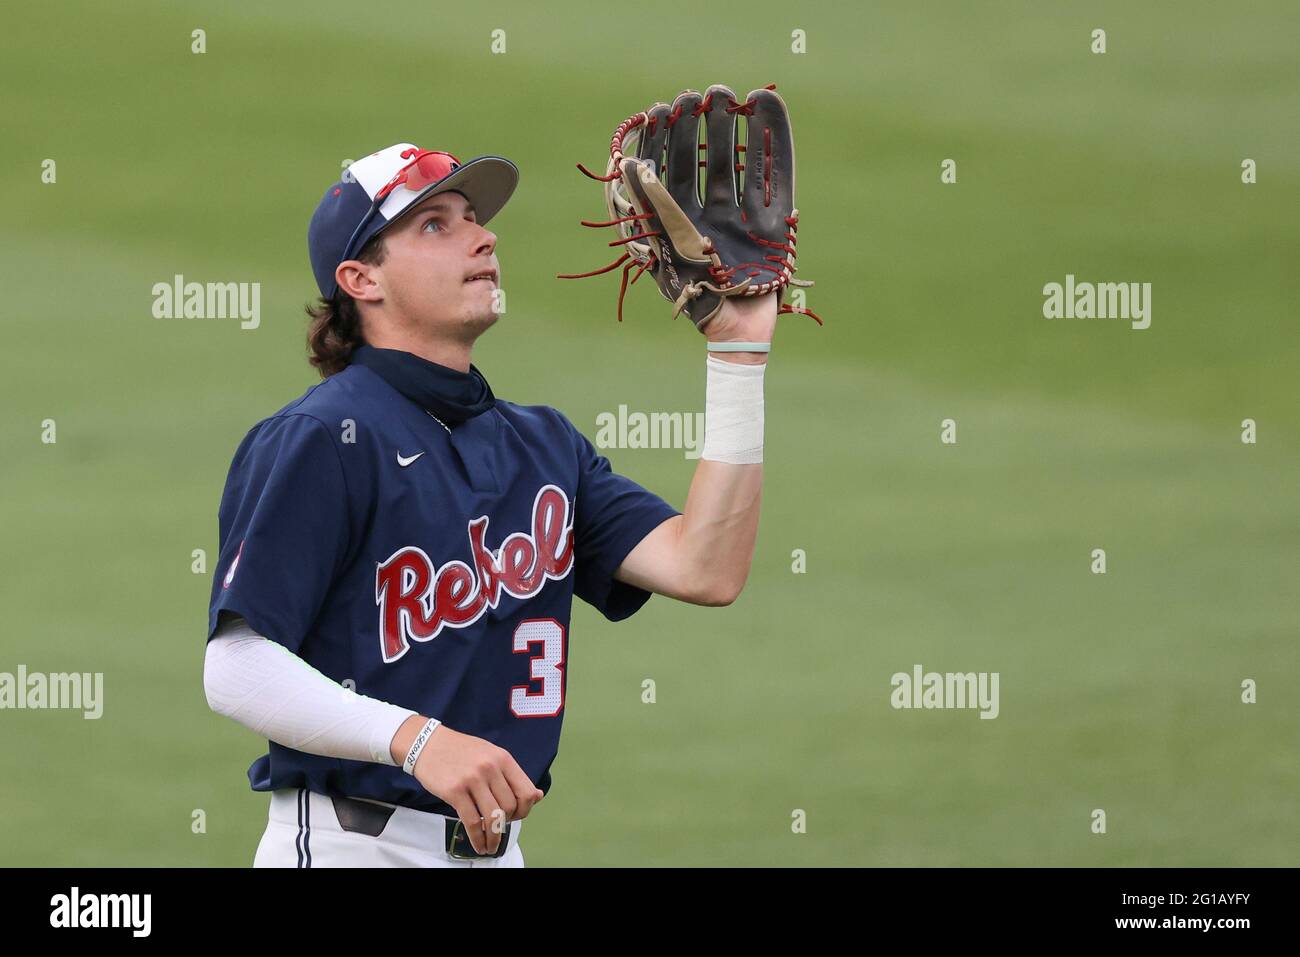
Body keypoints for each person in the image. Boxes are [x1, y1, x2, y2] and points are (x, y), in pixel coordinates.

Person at [203, 142, 777, 867]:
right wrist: (418, 740)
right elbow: (236, 666)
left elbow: (707, 568)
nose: (484, 236)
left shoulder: (543, 445)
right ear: (361, 279)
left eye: (474, 217)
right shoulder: (325, 437)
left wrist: (738, 353)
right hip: (353, 846)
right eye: (435, 225)